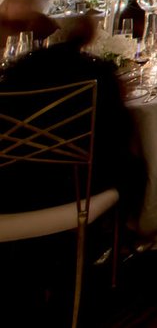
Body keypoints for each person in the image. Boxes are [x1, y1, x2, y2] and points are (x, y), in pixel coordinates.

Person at [0, 16, 145, 214]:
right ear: (90, 37)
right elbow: (119, 135)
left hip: (13, 193)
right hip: (80, 193)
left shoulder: (18, 72)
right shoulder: (97, 73)